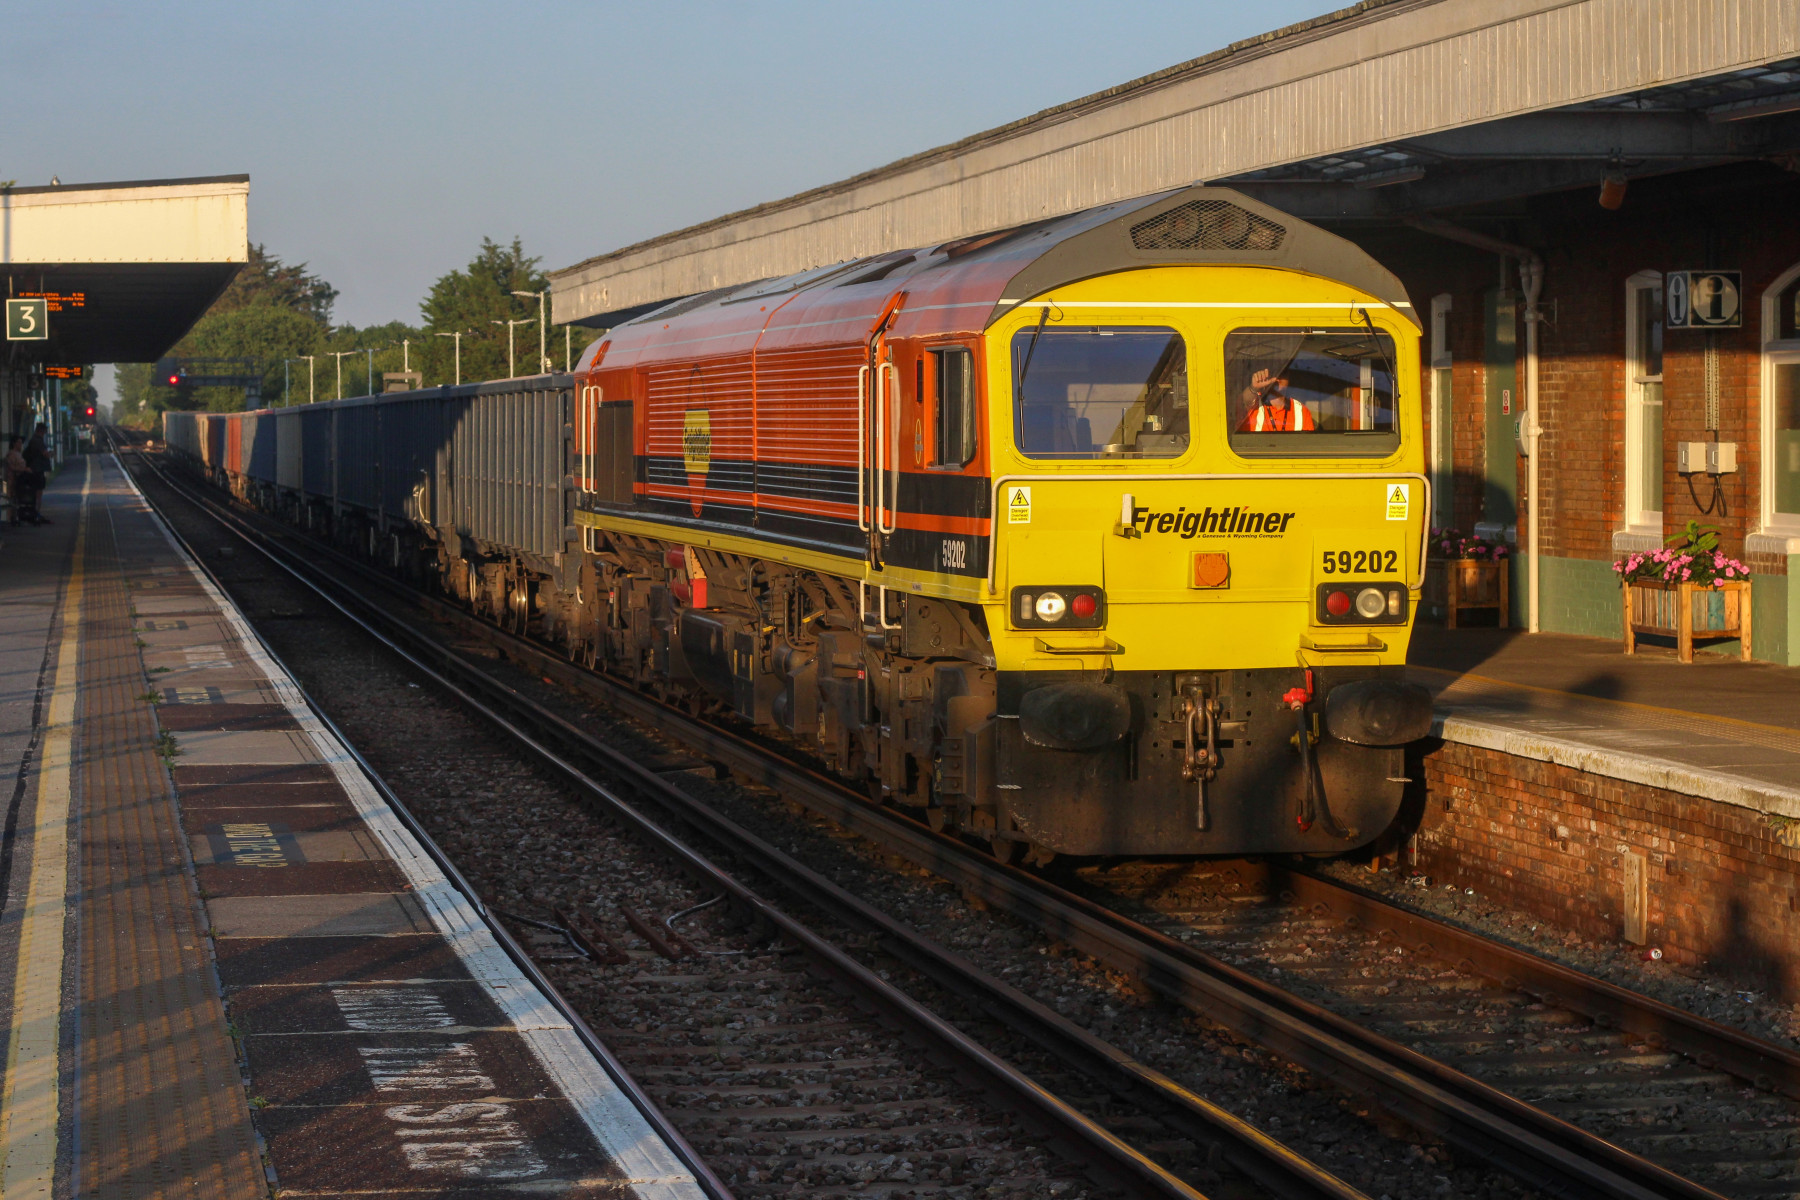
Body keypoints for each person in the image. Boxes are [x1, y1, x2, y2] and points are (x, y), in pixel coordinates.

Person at [1237, 369, 1315, 432]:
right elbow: (1244, 401)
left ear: (1288, 378)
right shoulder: (1253, 404)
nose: (1276, 378)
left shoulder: (1301, 411)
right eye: (1272, 374)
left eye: (1282, 373)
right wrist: (1253, 388)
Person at [22, 423, 51, 525]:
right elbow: (45, 454)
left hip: (34, 470)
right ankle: (36, 514)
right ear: (41, 431)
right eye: (44, 432)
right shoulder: (37, 441)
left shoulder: (33, 440)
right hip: (37, 471)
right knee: (38, 494)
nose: (44, 434)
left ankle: (35, 513)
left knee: (35, 493)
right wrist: (51, 454)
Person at [3, 437, 30, 527]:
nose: (21, 444)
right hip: (11, 481)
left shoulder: (18, 454)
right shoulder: (11, 455)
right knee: (10, 499)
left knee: (16, 500)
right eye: (19, 442)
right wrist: (24, 469)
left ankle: (15, 518)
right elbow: (12, 467)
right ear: (14, 443)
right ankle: (9, 519)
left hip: (18, 481)